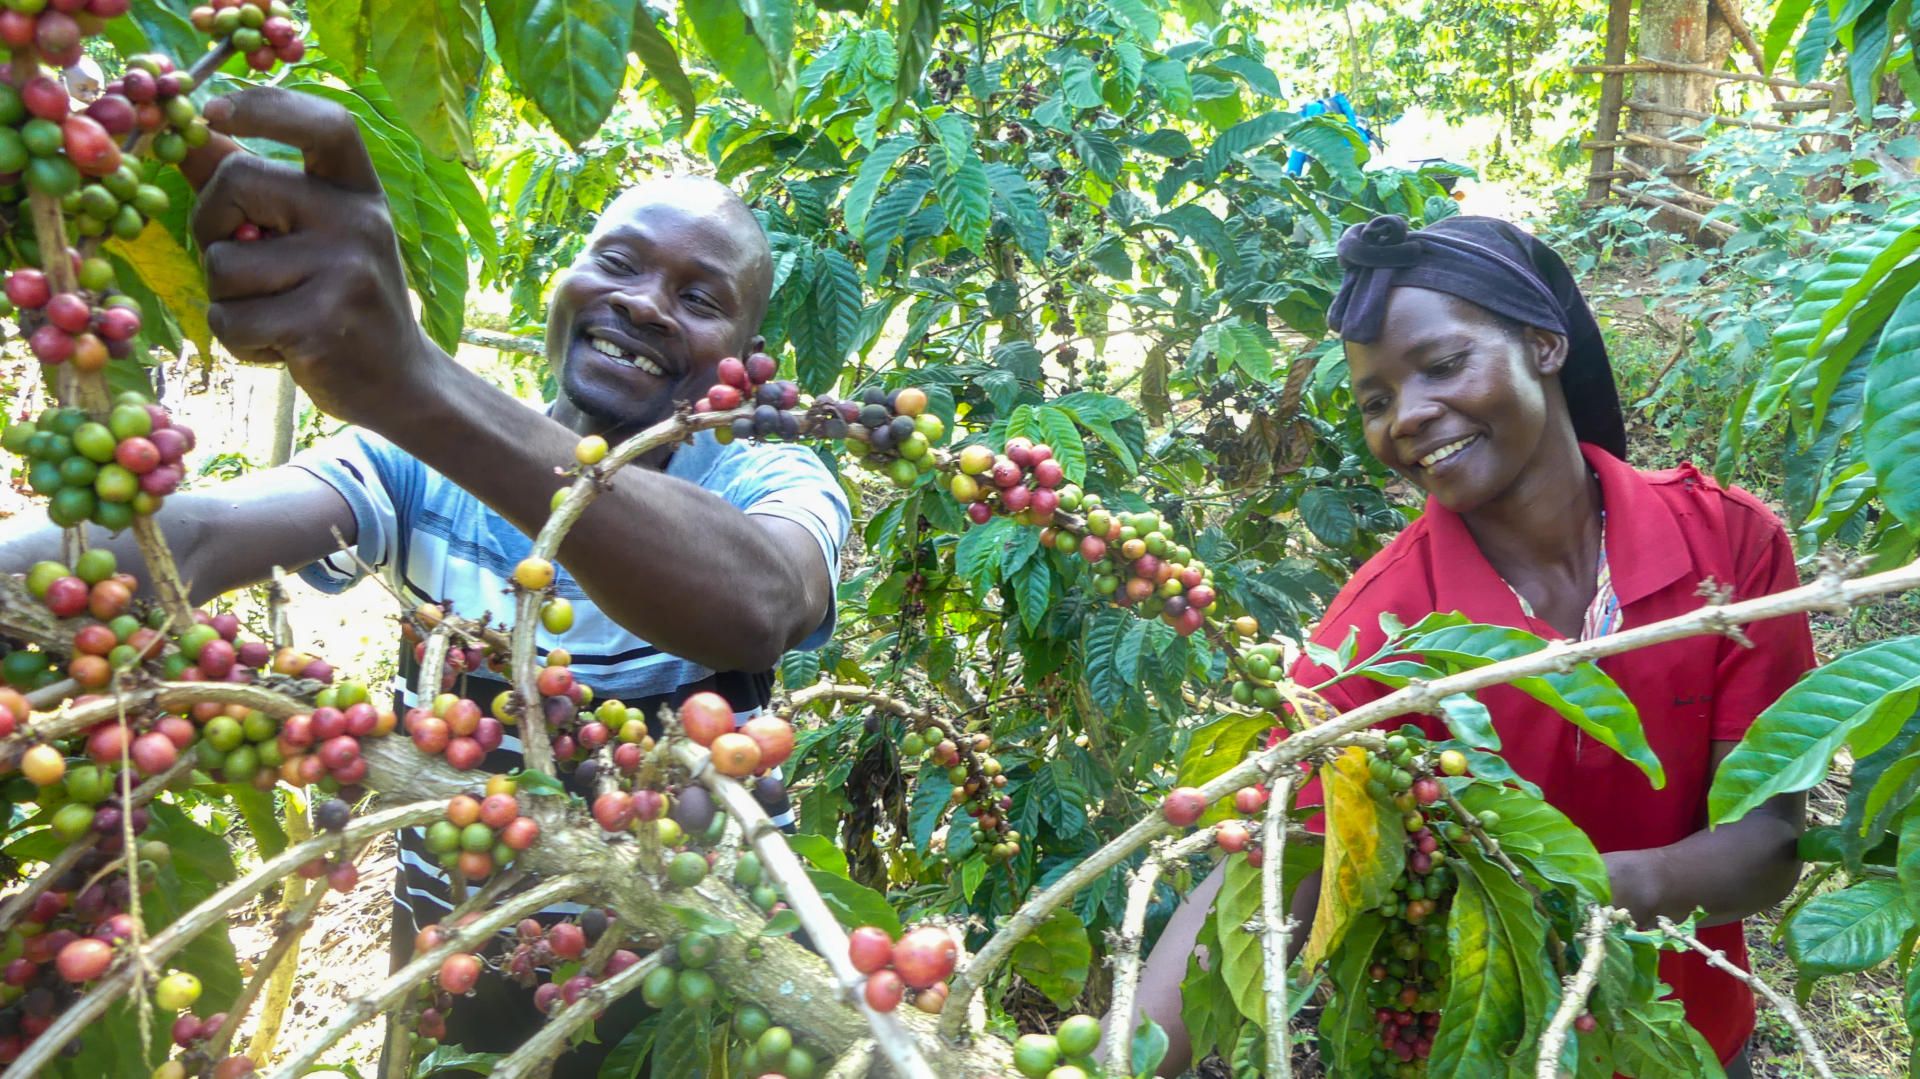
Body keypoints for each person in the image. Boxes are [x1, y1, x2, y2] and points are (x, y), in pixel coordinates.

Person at [0, 87, 850, 1075]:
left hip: (696, 986)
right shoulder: (417, 464)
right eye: (618, 263)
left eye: (700, 298)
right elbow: (191, 540)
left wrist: (409, 378)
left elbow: (755, 603)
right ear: (565, 282)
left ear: (743, 364)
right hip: (455, 960)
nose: (646, 301)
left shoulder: (771, 480)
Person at [1132, 214, 1811, 1078]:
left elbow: (1766, 842)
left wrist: (1574, 890)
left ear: (1543, 343)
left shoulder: (1729, 544)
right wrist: (1123, 1057)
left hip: (1693, 1043)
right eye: (1374, 401)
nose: (1408, 417)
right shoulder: (1383, 634)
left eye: (1444, 366)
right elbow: (1273, 861)